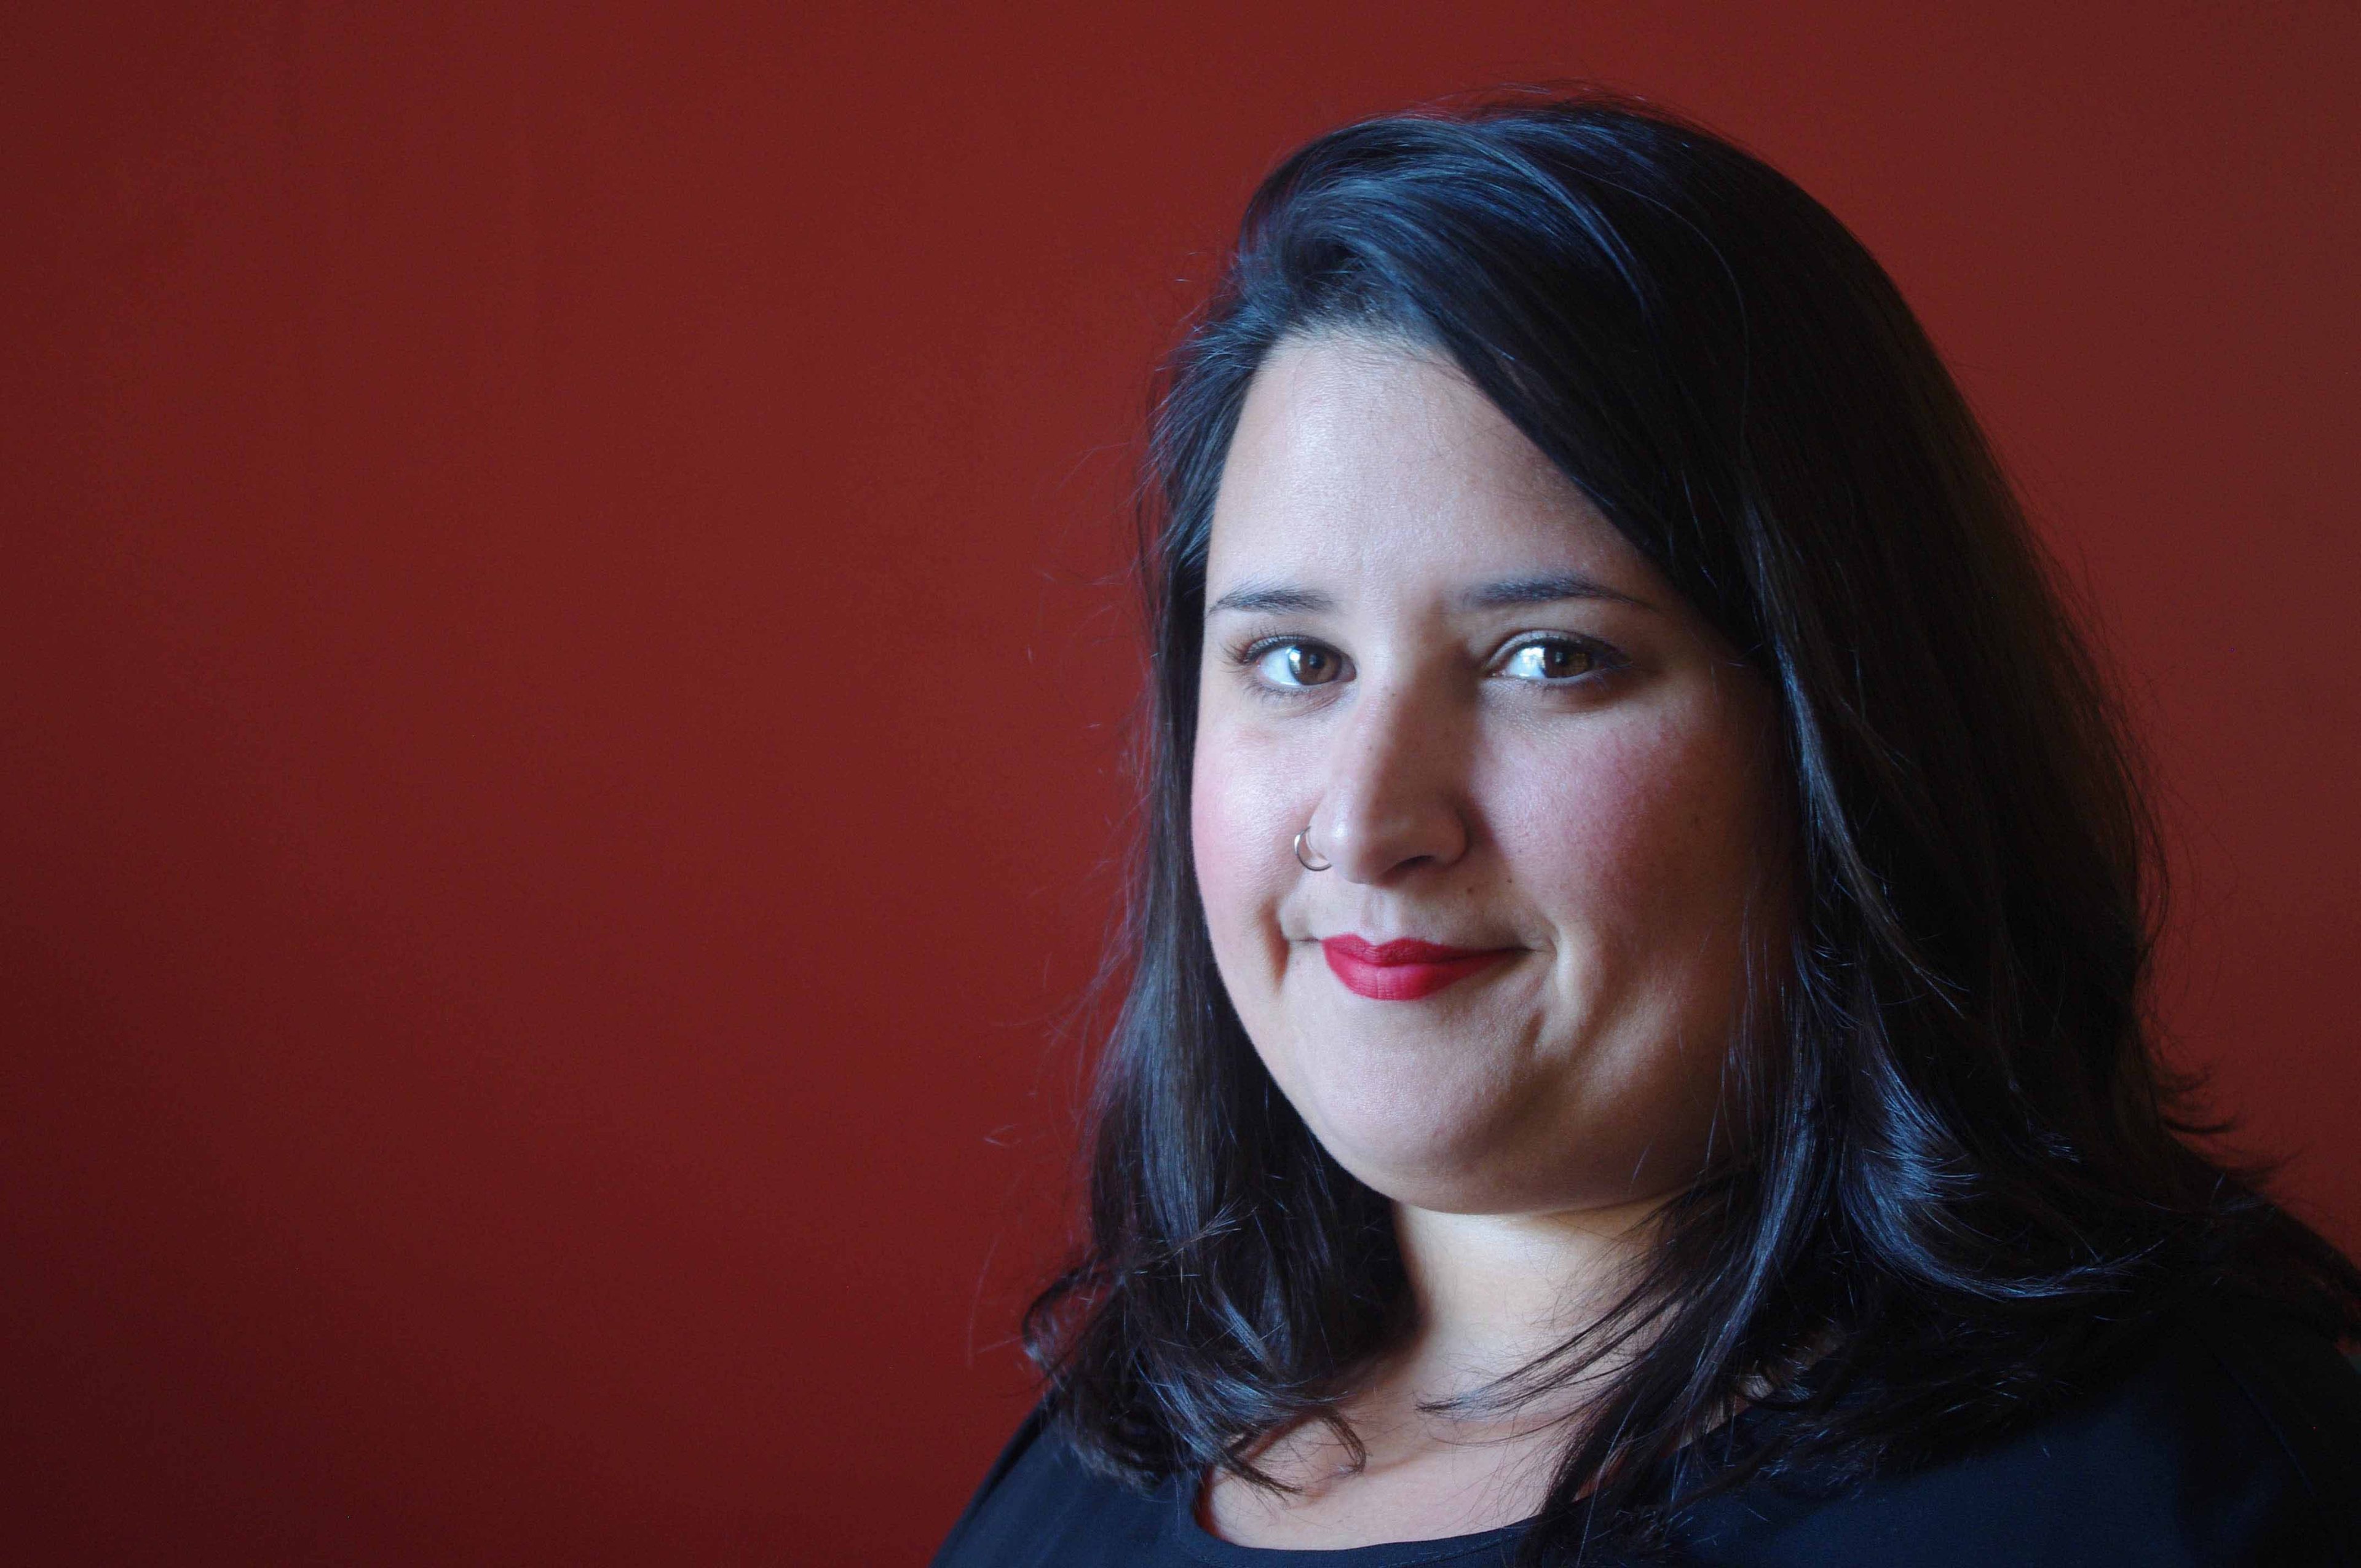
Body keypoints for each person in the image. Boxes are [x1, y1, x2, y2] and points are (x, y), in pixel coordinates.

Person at [930, 93, 2361, 1567]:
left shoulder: (2156, 1504)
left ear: (1842, 738)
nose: (1366, 824)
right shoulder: (1111, 1448)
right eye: (1298, 662)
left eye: (1548, 658)